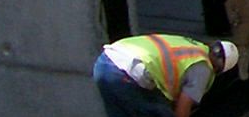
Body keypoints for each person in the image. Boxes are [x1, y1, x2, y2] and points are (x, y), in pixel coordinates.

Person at [93, 33, 237, 117]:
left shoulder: (190, 46)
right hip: (127, 74)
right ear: (220, 69)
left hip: (104, 63)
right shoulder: (203, 67)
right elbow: (183, 109)